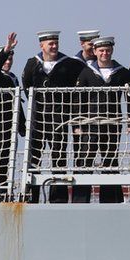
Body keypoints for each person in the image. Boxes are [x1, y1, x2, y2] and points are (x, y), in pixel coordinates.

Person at [22, 30, 85, 203]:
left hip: (59, 116)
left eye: (56, 43)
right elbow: (26, 83)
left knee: (59, 157)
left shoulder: (69, 64)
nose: (54, 46)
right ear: (41, 45)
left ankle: (58, 197)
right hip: (39, 117)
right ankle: (31, 197)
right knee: (34, 157)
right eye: (50, 44)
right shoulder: (33, 63)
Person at [75, 36, 130, 203]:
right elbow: (77, 99)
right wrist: (76, 123)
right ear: (95, 51)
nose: (104, 53)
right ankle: (80, 200)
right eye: (101, 50)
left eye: (107, 50)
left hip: (112, 123)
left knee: (110, 160)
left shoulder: (121, 72)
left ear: (112, 51)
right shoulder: (87, 72)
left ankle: (111, 201)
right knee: (85, 159)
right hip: (90, 124)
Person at [0, 33, 27, 203]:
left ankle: (5, 192)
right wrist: (5, 50)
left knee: (8, 159)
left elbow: (18, 104)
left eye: (10, 59)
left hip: (11, 123)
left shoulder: (13, 78)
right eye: (5, 59)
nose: (8, 61)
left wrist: (23, 126)